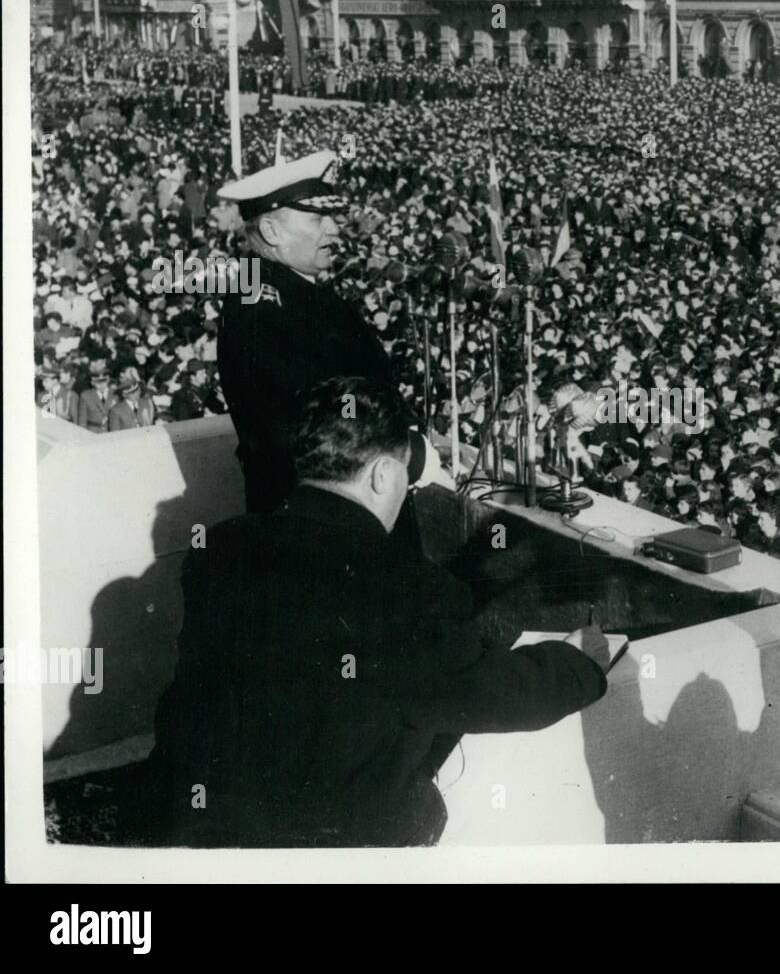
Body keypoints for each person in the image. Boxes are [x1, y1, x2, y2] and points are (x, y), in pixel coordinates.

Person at [137, 376, 612, 847]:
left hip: (193, 827)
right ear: (383, 475)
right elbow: (494, 695)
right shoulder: (407, 588)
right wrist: (578, 664)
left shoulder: (220, 547)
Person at [215, 150, 438, 513]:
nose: (334, 229)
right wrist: (409, 456)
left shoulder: (281, 292)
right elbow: (308, 421)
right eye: (318, 220)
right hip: (327, 516)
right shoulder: (262, 308)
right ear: (272, 231)